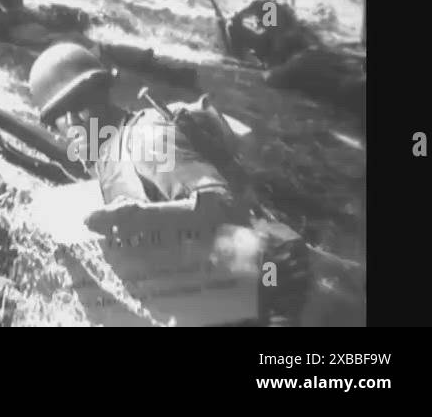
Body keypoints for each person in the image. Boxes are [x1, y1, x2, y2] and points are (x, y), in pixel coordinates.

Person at [28, 42, 365, 326]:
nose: (67, 133)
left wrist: (139, 217)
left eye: (62, 123)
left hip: (289, 294)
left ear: (74, 117)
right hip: (240, 299)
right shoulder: (113, 156)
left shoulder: (146, 141)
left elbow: (220, 202)